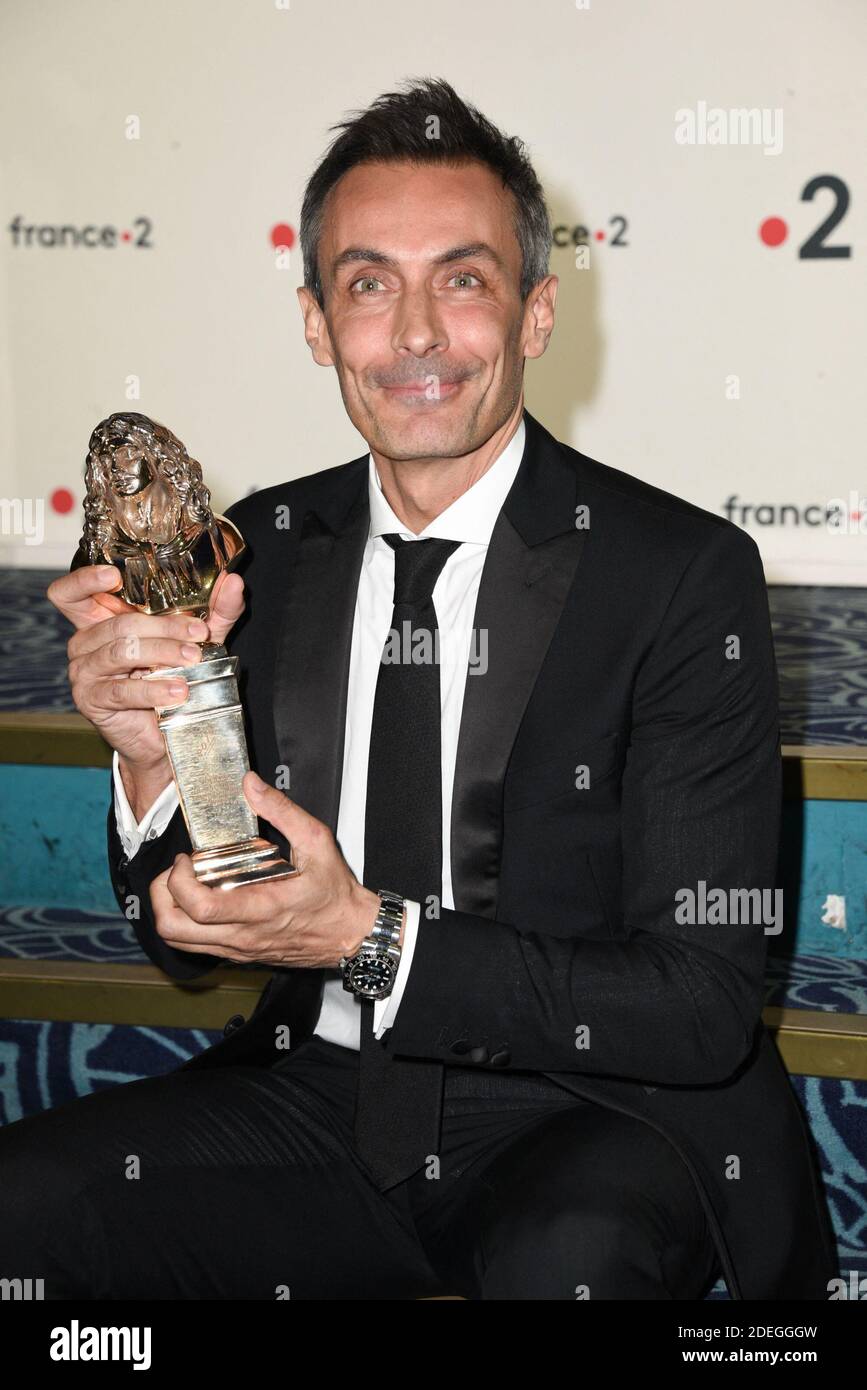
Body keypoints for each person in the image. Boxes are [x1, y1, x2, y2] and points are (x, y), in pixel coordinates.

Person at [6, 77, 836, 1300]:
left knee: (565, 1263)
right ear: (314, 320)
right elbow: (178, 946)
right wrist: (146, 761)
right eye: (368, 284)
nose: (415, 336)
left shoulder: (681, 575)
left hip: (599, 1106)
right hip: (317, 1093)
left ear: (536, 310)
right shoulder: (255, 553)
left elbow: (700, 1004)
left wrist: (370, 937)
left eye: (462, 278)